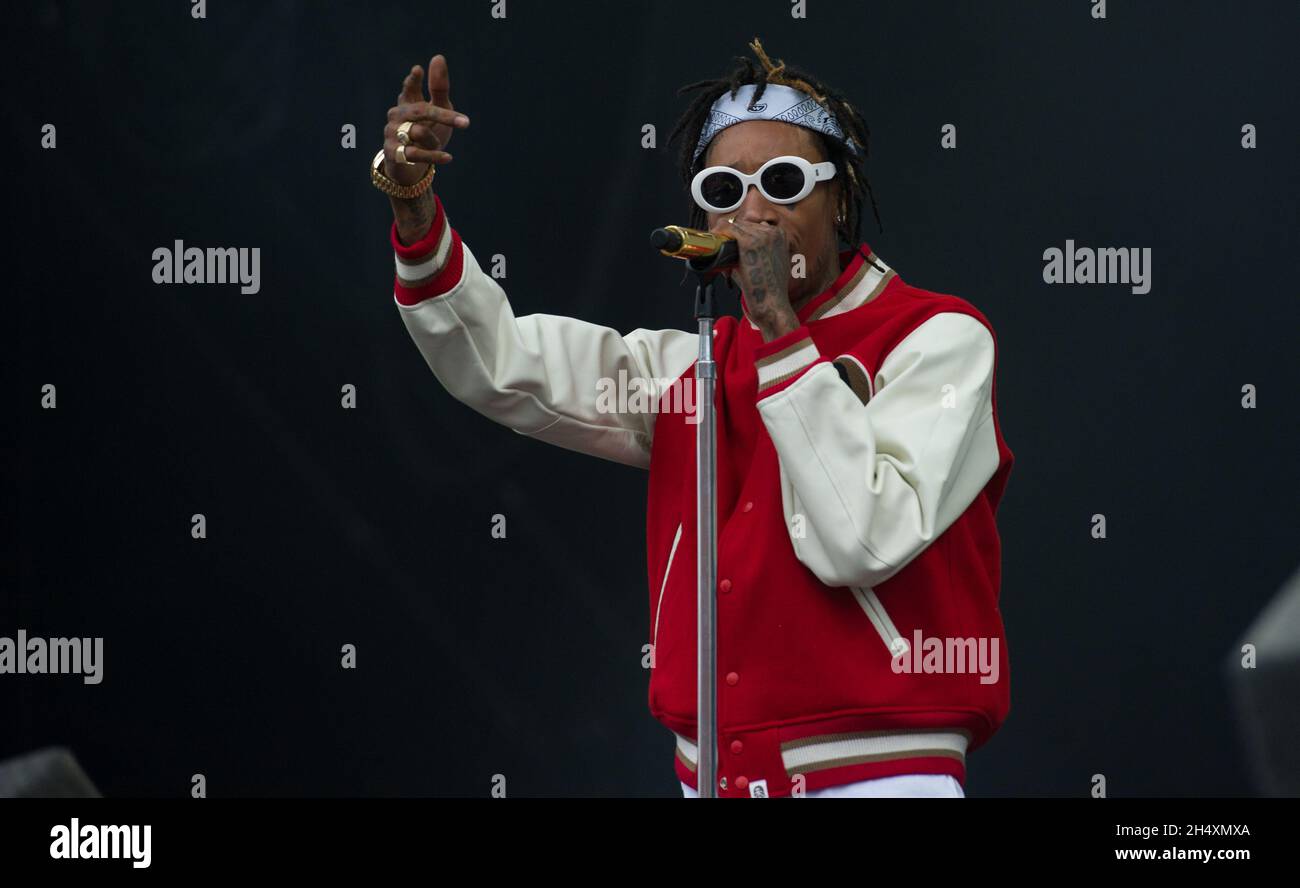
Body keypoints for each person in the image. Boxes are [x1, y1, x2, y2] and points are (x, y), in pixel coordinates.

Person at [370, 39, 1014, 798]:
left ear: (839, 196)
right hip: (710, 771)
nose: (752, 211)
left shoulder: (937, 339)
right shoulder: (692, 366)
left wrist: (777, 329)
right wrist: (416, 215)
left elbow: (862, 538)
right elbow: (503, 364)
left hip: (878, 773)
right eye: (724, 188)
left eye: (781, 182)